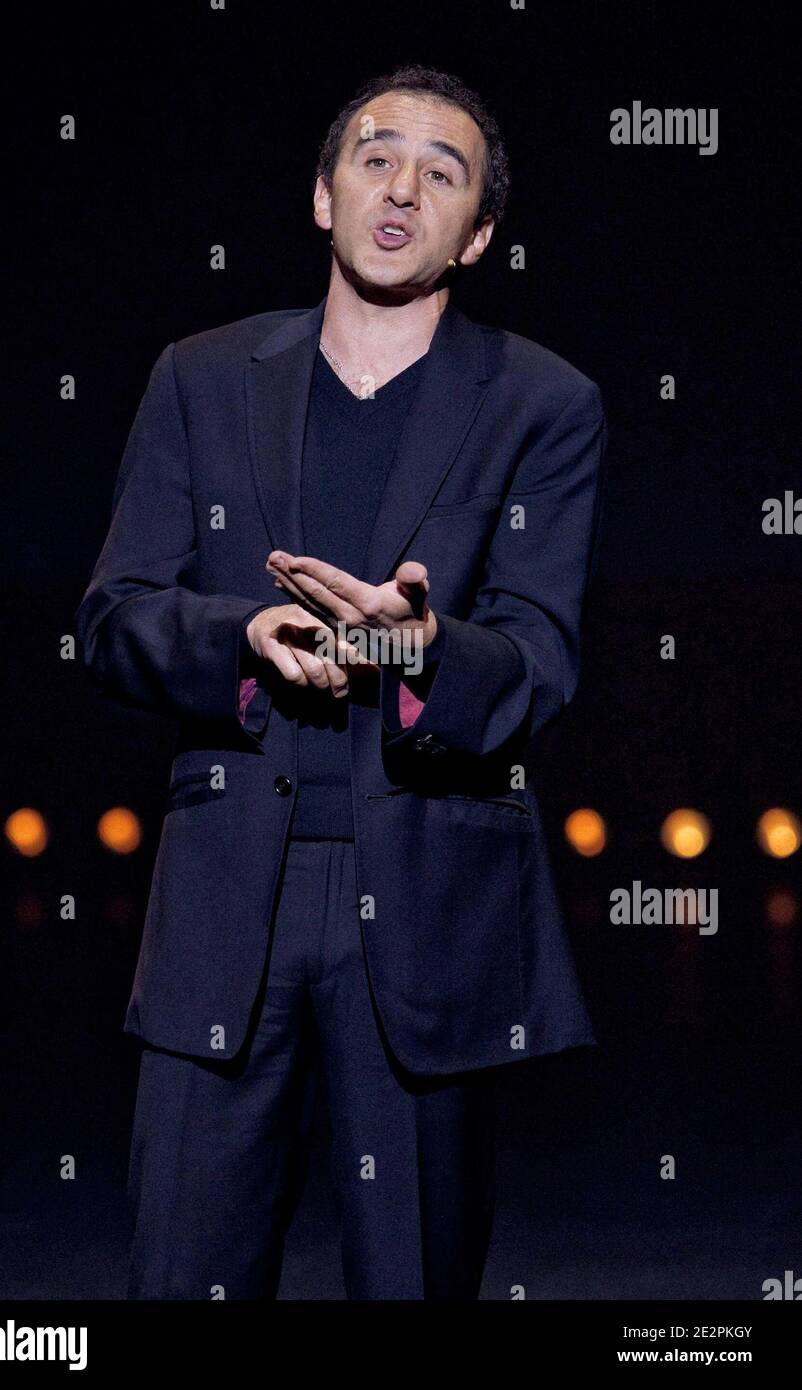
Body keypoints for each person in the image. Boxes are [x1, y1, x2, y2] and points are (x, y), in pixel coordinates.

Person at [75, 63, 608, 1301]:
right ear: (322, 196)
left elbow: (539, 657)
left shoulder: (542, 402)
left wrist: (413, 644)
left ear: (475, 233)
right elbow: (113, 617)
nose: (401, 187)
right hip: (225, 914)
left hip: (424, 905)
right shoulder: (200, 379)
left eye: (441, 171)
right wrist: (243, 640)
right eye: (375, 157)